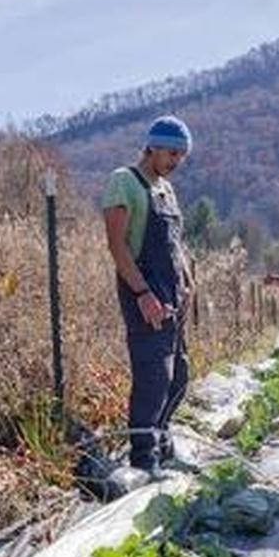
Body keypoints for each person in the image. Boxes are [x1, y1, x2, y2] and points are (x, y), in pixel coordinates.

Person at [100, 115, 195, 474]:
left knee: (179, 377)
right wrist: (142, 293)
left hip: (174, 296)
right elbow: (117, 246)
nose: (176, 161)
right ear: (152, 146)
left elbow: (176, 244)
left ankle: (165, 444)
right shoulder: (124, 182)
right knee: (153, 377)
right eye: (171, 152)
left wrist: (187, 281)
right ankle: (144, 458)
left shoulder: (165, 189)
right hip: (145, 294)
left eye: (181, 156)